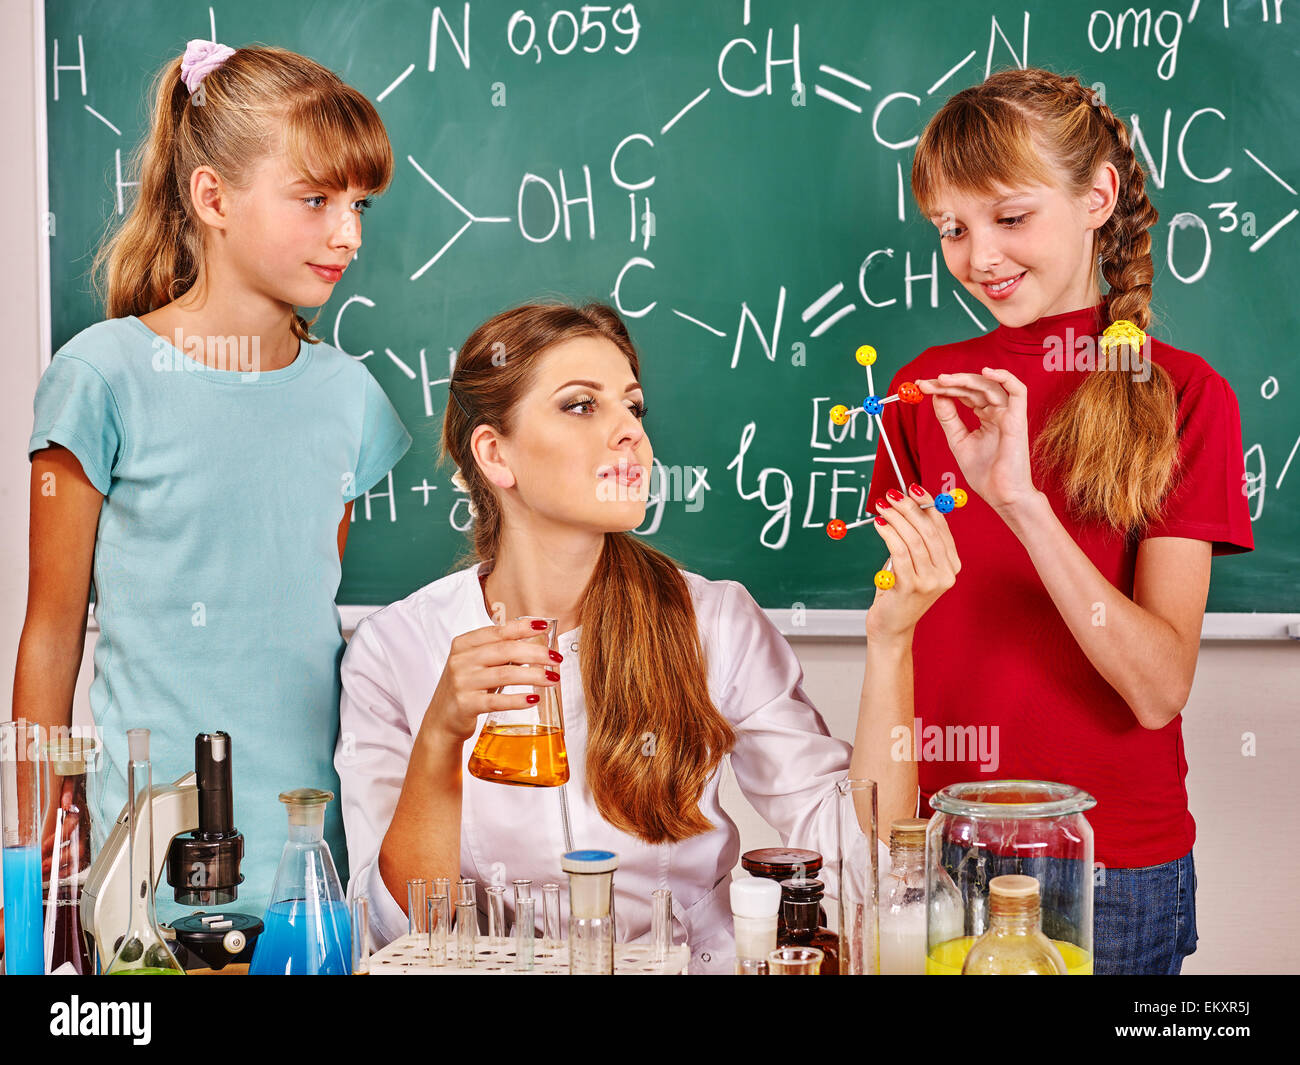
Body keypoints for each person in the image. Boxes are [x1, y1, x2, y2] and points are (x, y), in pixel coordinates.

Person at [335, 302, 959, 973]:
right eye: (581, 406)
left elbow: (864, 869)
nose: (629, 432)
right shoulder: (393, 647)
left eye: (633, 407)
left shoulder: (713, 621)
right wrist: (440, 736)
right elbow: (390, 928)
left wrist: (892, 642)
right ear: (496, 454)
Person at [867, 67, 1254, 974]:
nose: (979, 257)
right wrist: (894, 835)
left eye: (1010, 217)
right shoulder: (927, 392)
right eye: (953, 230)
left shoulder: (1184, 396)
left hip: (1109, 864)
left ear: (1098, 197)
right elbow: (901, 638)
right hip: (943, 850)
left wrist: (1021, 505)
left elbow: (1158, 687)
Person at [13, 40, 411, 922]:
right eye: (315, 200)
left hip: (311, 864)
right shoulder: (100, 377)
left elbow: (303, 609)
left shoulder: (350, 401)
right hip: (140, 873)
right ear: (212, 198)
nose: (347, 233)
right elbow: (49, 636)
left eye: (358, 204)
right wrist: (34, 859)